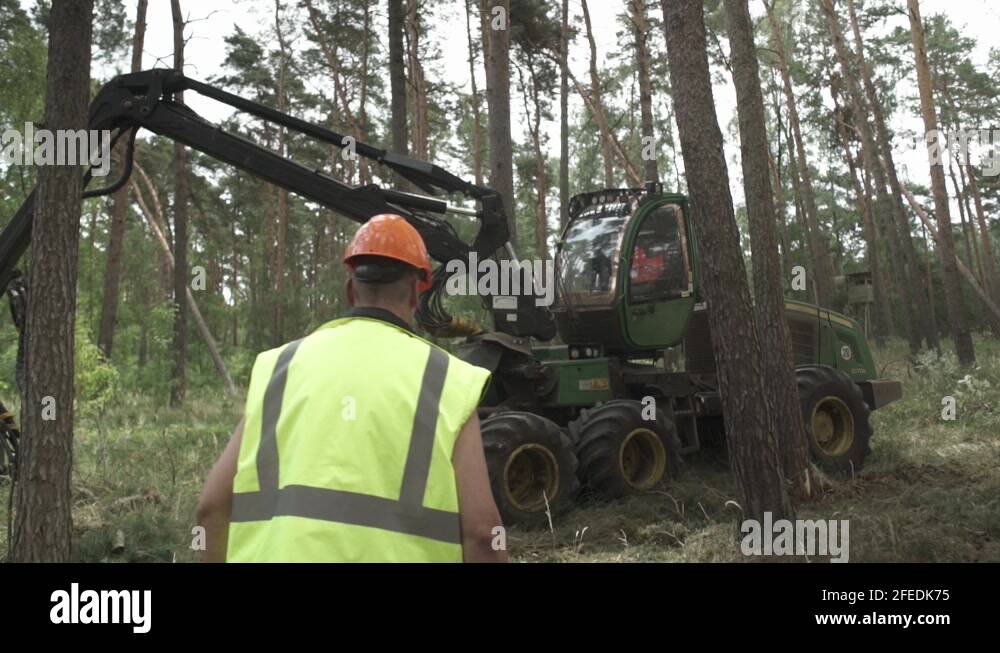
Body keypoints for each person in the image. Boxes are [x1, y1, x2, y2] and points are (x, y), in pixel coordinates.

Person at [196, 213, 506, 562]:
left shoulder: (280, 366)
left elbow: (210, 510)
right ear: (416, 297)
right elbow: (483, 534)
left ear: (349, 291)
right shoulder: (448, 378)